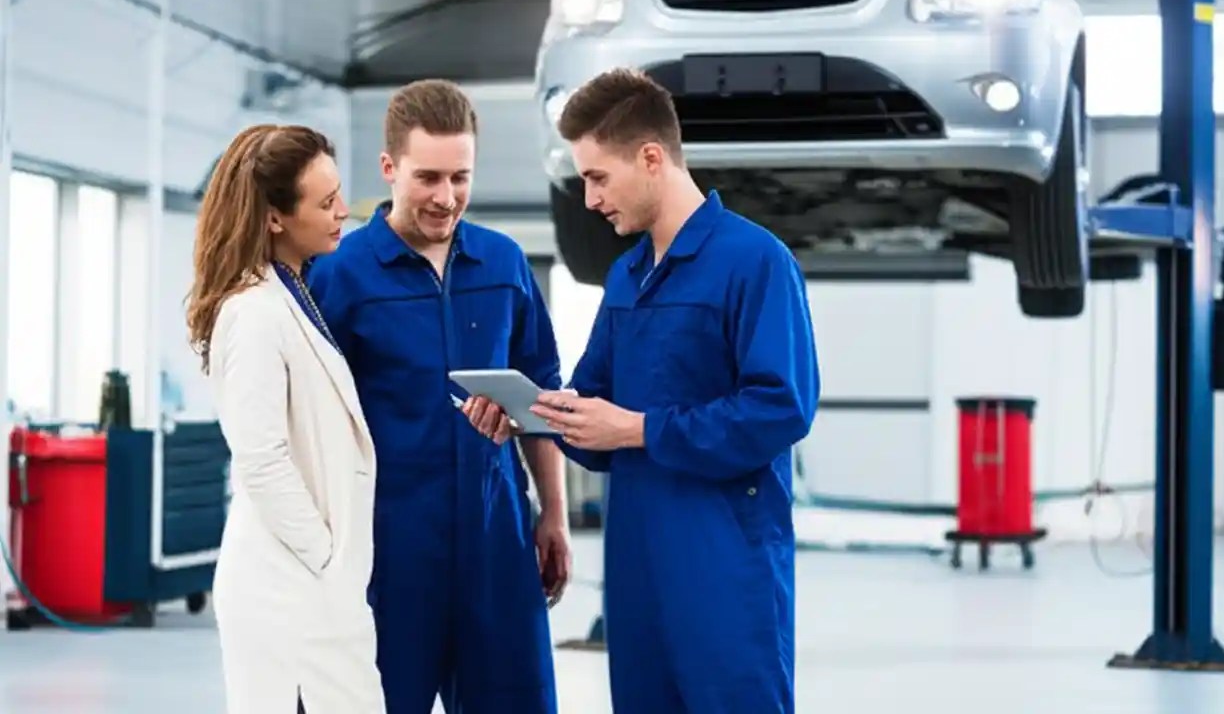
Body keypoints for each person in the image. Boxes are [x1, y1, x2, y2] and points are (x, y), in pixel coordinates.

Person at [469, 68, 821, 713]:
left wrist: (638, 430)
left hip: (726, 568)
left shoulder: (755, 262)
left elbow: (782, 407)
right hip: (638, 570)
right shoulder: (628, 277)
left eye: (598, 177)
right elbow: (595, 406)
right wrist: (535, 414)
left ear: (652, 157)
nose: (590, 199)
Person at [305, 79, 569, 714]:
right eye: (428, 177)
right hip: (388, 551)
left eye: (460, 177)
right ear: (389, 168)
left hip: (497, 541)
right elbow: (309, 421)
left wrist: (553, 515)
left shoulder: (505, 265)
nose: (446, 198)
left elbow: (543, 398)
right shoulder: (339, 273)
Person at [187, 124, 385, 713]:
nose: (344, 212)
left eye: (339, 194)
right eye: (325, 204)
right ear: (275, 217)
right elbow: (261, 458)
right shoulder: (252, 313)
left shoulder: (290, 293)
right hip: (289, 591)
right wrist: (329, 559)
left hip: (312, 589)